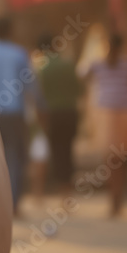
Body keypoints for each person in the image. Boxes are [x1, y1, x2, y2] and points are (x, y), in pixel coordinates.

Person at [0, 16, 46, 217]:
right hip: (15, 113)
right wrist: (40, 106)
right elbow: (31, 84)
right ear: (10, 30)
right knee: (16, 158)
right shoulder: (19, 54)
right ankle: (13, 205)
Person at [81, 33, 127, 218]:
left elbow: (82, 75)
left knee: (112, 159)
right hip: (121, 112)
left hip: (111, 113)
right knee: (118, 158)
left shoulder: (99, 64)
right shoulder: (124, 64)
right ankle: (116, 200)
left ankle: (116, 200)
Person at [36, 33, 84, 195]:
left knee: (57, 152)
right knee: (68, 150)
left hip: (53, 115)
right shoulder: (68, 65)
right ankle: (67, 190)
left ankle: (62, 190)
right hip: (70, 113)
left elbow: (39, 97)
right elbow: (79, 91)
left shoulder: (43, 69)